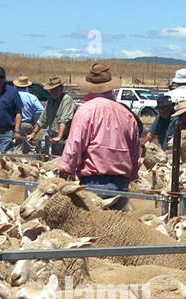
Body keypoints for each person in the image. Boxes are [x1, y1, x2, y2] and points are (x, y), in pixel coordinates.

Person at [58, 62, 141, 210]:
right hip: (121, 185)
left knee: (93, 229)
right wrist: (131, 176)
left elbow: (74, 144)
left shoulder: (86, 111)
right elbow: (135, 152)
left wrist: (65, 172)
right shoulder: (127, 114)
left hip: (93, 183)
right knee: (116, 228)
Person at [30, 75, 77, 156]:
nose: (53, 92)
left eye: (55, 89)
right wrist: (33, 133)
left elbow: (64, 120)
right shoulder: (50, 100)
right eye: (51, 90)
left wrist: (59, 136)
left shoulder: (66, 99)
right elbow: (42, 119)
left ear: (61, 88)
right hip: (53, 136)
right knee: (50, 157)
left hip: (65, 137)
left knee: (62, 160)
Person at [14, 76, 43, 151]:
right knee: (30, 147)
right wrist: (35, 119)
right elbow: (40, 109)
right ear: (27, 86)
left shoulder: (13, 96)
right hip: (28, 124)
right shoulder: (32, 97)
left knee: (17, 147)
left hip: (16, 125)